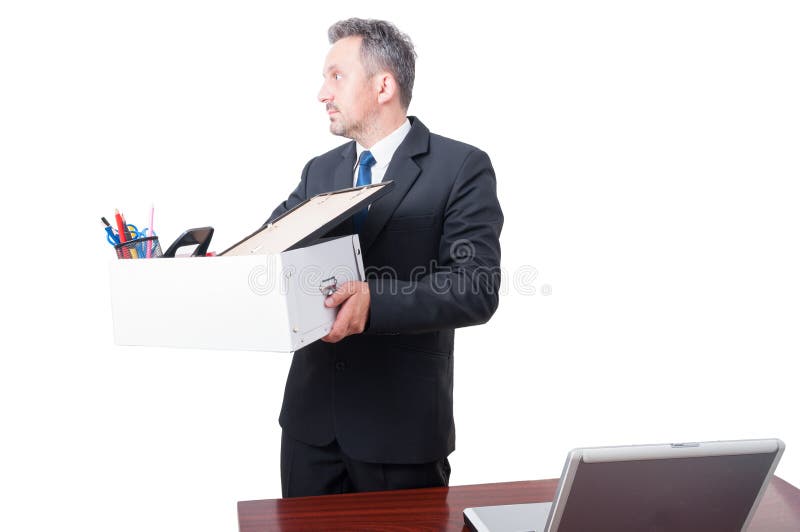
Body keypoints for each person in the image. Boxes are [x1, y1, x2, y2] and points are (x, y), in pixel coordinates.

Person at [266, 18, 503, 497]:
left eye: (336, 76)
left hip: (401, 431)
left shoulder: (460, 168)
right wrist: (197, 264)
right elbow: (270, 246)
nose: (321, 93)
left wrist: (374, 301)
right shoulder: (320, 171)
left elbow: (475, 287)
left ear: (383, 86)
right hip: (311, 428)